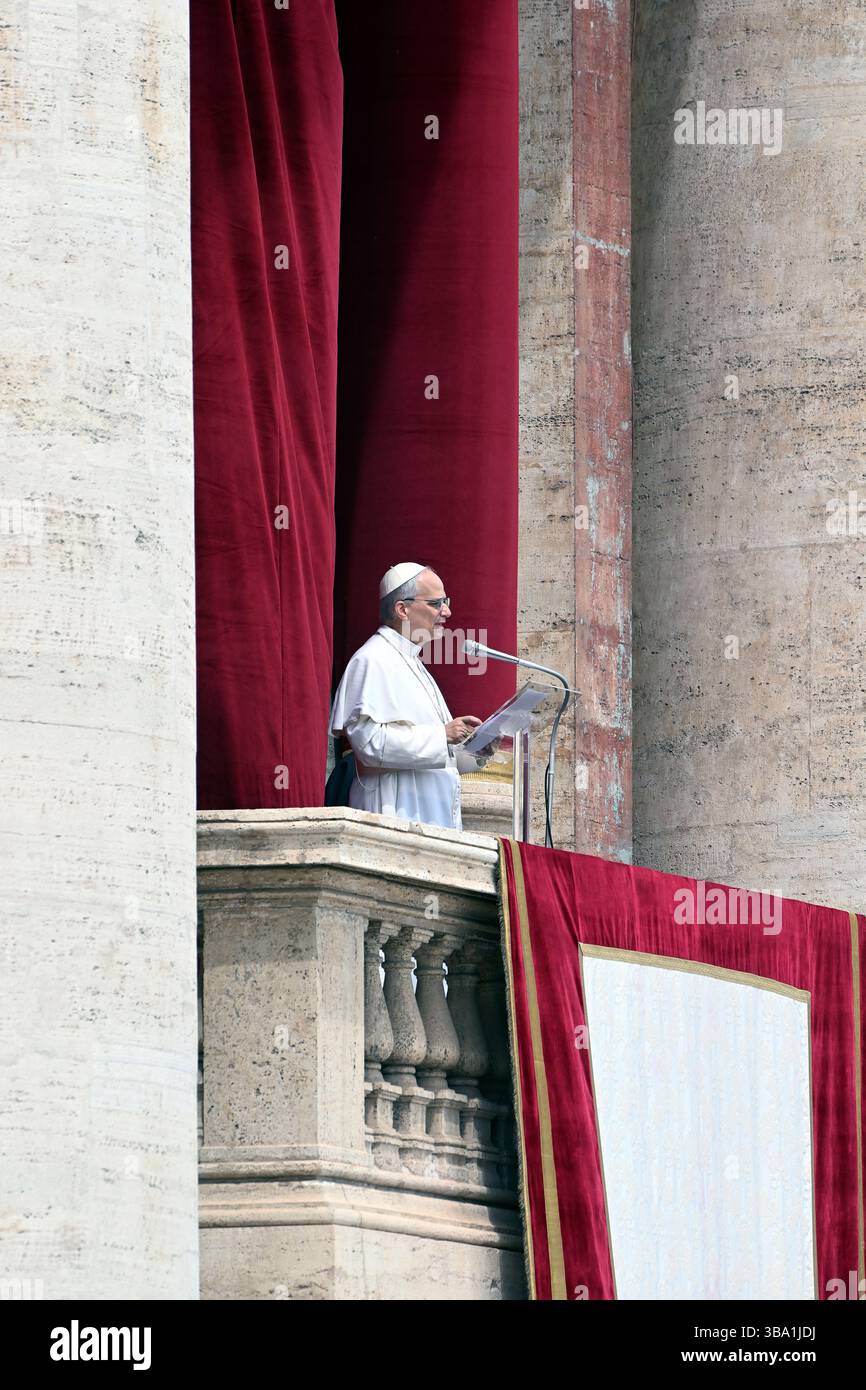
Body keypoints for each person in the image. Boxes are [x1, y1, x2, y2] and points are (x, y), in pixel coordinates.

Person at [329, 562, 496, 830]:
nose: (447, 611)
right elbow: (369, 745)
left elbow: (440, 756)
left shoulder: (416, 665)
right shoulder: (372, 660)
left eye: (446, 601)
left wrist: (476, 750)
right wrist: (442, 735)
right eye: (436, 603)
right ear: (402, 609)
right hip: (395, 812)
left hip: (433, 816)